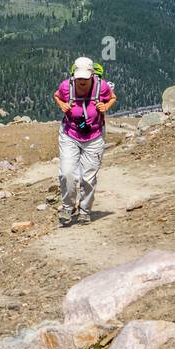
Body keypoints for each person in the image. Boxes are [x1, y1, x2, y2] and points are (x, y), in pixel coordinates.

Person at [53, 56, 116, 227]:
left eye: (85, 78)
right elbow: (57, 95)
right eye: (78, 77)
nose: (81, 81)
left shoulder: (101, 87)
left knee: (88, 177)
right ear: (74, 75)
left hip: (94, 135)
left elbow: (112, 97)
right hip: (70, 133)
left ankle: (85, 210)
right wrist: (61, 105)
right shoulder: (67, 86)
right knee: (67, 172)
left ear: (91, 75)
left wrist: (106, 107)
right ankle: (67, 207)